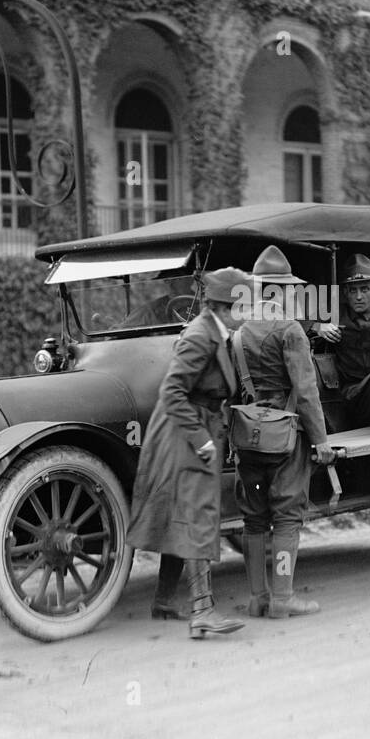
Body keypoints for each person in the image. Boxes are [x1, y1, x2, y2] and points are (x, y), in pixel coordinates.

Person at [127, 266, 252, 639]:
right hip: (185, 434)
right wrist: (202, 440)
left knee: (181, 516)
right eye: (243, 304)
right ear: (227, 305)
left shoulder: (215, 331)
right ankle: (203, 611)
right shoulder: (200, 335)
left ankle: (164, 601)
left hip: (190, 429)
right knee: (197, 517)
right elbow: (172, 392)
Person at [234, 246, 337, 619]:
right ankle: (282, 597)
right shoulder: (290, 330)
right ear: (280, 290)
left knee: (254, 518)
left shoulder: (238, 330)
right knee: (287, 516)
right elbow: (306, 392)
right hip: (286, 434)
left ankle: (257, 597)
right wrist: (322, 441)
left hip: (247, 435)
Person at [311, 254, 370, 426]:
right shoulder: (336, 315)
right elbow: (291, 321)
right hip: (354, 397)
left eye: (365, 289)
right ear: (345, 293)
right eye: (353, 290)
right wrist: (317, 326)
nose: (359, 296)